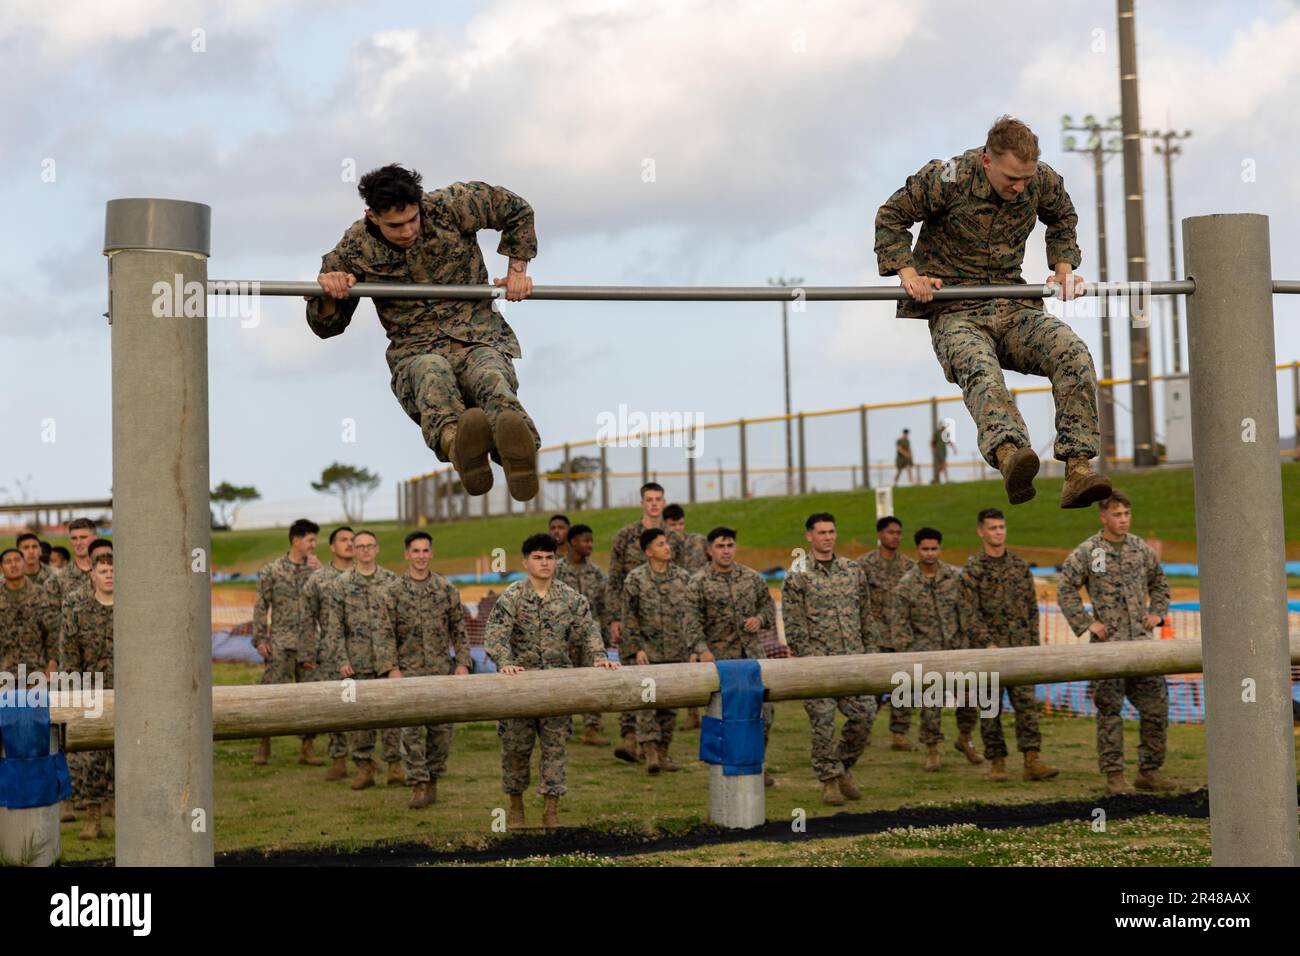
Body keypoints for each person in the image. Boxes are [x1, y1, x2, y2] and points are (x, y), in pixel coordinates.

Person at [875, 115, 1110, 509]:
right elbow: (891, 217)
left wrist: (1063, 268)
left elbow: (1063, 216)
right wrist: (908, 273)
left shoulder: (1040, 181)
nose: (1019, 188)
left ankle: (1078, 468)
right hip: (955, 309)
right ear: (987, 161)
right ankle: (1010, 456)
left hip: (1012, 304)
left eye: (1025, 179)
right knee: (979, 368)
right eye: (1010, 179)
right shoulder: (947, 176)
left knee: (1072, 352)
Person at [306, 164, 541, 500]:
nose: (406, 231)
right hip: (415, 352)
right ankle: (461, 449)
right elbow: (326, 327)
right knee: (432, 374)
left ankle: (517, 453)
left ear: (419, 205)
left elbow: (516, 209)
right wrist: (329, 293)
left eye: (412, 220)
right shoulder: (353, 248)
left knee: (491, 377)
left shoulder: (452, 205)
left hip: (477, 337)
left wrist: (517, 270)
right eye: (395, 225)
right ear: (371, 216)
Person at [484, 533, 619, 829]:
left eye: (549, 557)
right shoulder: (513, 597)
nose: (545, 563)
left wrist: (599, 656)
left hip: (558, 687)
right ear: (525, 562)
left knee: (555, 749)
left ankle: (551, 812)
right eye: (538, 558)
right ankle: (516, 808)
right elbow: (495, 635)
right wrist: (505, 663)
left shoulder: (570, 597)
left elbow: (589, 629)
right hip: (520, 686)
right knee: (516, 749)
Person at [1057, 491, 1174, 794]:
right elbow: (1066, 588)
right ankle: (1114, 776)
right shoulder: (1089, 551)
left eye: (1126, 513)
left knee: (1157, 707)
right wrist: (1087, 624)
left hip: (1141, 646)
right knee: (1110, 712)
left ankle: (1149, 771)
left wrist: (1157, 613)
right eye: (1117, 514)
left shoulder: (1140, 549)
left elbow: (1160, 583)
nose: (1123, 519)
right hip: (1108, 649)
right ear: (1103, 517)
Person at [780, 513, 880, 805]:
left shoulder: (852, 570)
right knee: (823, 723)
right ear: (809, 536)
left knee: (865, 715)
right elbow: (794, 624)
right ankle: (829, 782)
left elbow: (865, 615)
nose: (828, 537)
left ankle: (843, 767)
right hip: (817, 665)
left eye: (831, 531)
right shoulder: (797, 574)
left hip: (853, 661)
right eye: (821, 532)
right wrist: (806, 660)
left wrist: (870, 653)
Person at [958, 508, 1058, 782]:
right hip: (989, 653)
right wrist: (987, 643)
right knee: (990, 709)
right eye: (992, 528)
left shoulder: (1018, 565)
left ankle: (1032, 760)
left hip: (1019, 651)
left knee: (1027, 706)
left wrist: (1033, 645)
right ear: (981, 532)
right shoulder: (973, 570)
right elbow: (968, 613)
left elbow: (1030, 608)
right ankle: (997, 762)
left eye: (1001, 527)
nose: (998, 532)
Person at [378, 531, 470, 809]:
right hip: (409, 673)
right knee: (411, 732)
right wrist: (392, 668)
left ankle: (433, 779)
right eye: (415, 551)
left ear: (431, 554)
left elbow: (459, 630)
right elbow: (385, 634)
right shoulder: (392, 591)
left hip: (441, 672)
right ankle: (418, 783)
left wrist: (463, 663)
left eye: (425, 551)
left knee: (441, 731)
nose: (420, 556)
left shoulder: (446, 590)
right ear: (407, 554)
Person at [684, 526, 777, 785]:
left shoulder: (751, 578)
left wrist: (759, 619)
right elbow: (691, 621)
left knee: (764, 714)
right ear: (709, 550)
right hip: (719, 662)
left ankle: (756, 764)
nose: (726, 551)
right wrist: (702, 650)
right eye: (720, 546)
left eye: (730, 545)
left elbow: (768, 607)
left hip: (751, 659)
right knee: (725, 717)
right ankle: (727, 771)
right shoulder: (698, 582)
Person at [606, 482, 686, 757]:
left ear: (663, 503)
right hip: (634, 618)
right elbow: (614, 578)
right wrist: (615, 618)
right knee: (635, 678)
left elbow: (684, 577)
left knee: (665, 689)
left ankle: (654, 747)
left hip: (668, 626)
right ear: (642, 503)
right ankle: (630, 739)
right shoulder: (626, 536)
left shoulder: (674, 540)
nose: (654, 504)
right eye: (649, 499)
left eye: (658, 499)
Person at [320, 529, 404, 790]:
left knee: (392, 717)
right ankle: (365, 768)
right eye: (360, 546)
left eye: (370, 546)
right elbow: (333, 628)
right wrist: (341, 660)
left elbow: (401, 625)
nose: (365, 550)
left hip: (386, 662)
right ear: (354, 551)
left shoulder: (392, 581)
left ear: (377, 549)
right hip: (355, 664)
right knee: (361, 718)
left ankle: (395, 767)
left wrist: (397, 663)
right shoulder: (340, 585)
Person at [893, 528, 979, 772]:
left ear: (940, 548)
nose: (930, 554)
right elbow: (900, 623)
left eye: (934, 549)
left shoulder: (955, 577)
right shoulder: (907, 585)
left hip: (957, 650)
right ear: (917, 550)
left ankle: (965, 739)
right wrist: (908, 653)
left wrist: (969, 643)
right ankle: (932, 750)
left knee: (969, 700)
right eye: (925, 549)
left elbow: (967, 611)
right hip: (926, 653)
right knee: (931, 706)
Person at [250, 518, 323, 767]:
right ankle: (264, 743)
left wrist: (320, 573)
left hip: (308, 645)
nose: (314, 545)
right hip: (280, 643)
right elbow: (261, 606)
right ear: (296, 540)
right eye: (310, 540)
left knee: (309, 697)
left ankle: (307, 747)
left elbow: (327, 599)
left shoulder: (315, 570)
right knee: (271, 694)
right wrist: (260, 639)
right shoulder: (272, 570)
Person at [621, 528, 694, 774]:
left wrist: (692, 647)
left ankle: (663, 753)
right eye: (661, 544)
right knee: (647, 701)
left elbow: (691, 615)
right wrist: (636, 648)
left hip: (676, 651)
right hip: (648, 653)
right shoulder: (635, 579)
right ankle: (649, 751)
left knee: (669, 705)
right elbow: (629, 617)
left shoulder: (683, 578)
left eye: (667, 543)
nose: (667, 547)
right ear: (648, 551)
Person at [60, 551, 115, 839]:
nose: (109, 575)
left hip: (128, 689)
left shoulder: (132, 608)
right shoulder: (77, 608)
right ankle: (93, 819)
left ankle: (126, 811)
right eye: (103, 570)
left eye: (113, 570)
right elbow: (68, 653)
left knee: (127, 753)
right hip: (91, 690)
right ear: (92, 575)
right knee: (92, 757)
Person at [858, 516, 918, 751]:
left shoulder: (909, 566)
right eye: (890, 532)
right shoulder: (864, 564)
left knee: (903, 685)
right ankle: (863, 729)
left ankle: (899, 733)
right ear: (880, 535)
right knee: (873, 686)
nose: (895, 537)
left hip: (902, 635)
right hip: (876, 635)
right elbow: (855, 594)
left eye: (898, 533)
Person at [303, 526, 355, 780]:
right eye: (343, 540)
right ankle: (338, 760)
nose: (349, 544)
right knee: (338, 706)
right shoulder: (318, 579)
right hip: (331, 652)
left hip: (364, 651)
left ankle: (365, 759)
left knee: (367, 705)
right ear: (332, 547)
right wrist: (308, 653)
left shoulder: (366, 575)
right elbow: (307, 619)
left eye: (352, 540)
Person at [555, 523, 613, 745]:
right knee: (564, 683)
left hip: (590, 638)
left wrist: (606, 637)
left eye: (591, 540)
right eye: (584, 540)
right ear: (571, 543)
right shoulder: (557, 571)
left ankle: (592, 727)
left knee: (593, 681)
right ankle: (562, 728)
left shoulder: (597, 573)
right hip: (562, 639)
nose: (590, 544)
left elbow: (604, 606)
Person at [664, 503, 709, 729]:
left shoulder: (698, 542)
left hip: (698, 610)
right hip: (671, 614)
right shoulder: (661, 546)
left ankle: (695, 712)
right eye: (672, 525)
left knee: (697, 659)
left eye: (680, 524)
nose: (677, 529)